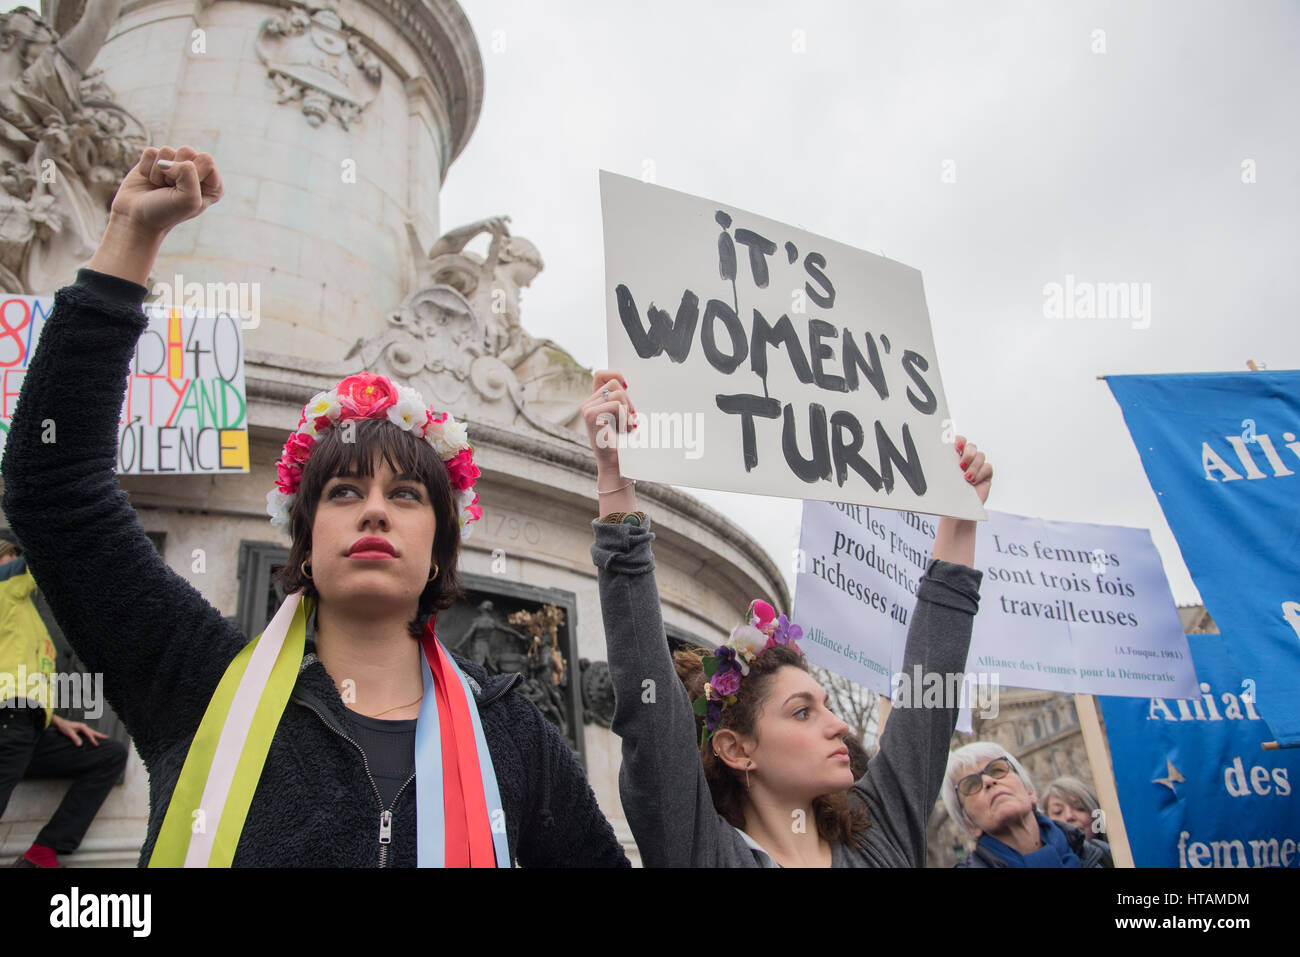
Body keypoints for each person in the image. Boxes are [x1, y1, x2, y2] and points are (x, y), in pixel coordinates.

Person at [0, 145, 628, 867]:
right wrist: (130, 239)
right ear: (303, 539)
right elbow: (53, 490)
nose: (374, 511)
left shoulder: (511, 729)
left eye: (404, 494)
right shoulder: (195, 678)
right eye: (343, 491)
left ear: (440, 547)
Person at [583, 369, 991, 867]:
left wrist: (960, 514)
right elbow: (647, 695)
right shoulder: (699, 851)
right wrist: (614, 474)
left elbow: (930, 690)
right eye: (803, 711)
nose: (840, 725)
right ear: (736, 749)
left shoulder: (880, 833)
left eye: (823, 705)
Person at [0, 541, 128, 868]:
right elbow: (44, 550)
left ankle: (43, 853)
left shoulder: (25, 616)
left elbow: (16, 673)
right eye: (7, 562)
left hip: (27, 728)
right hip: (8, 722)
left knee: (108, 755)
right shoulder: (5, 588)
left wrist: (55, 720)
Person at [941, 743, 1112, 868]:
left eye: (998, 770)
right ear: (969, 825)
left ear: (1030, 791)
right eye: (970, 785)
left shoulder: (1104, 856)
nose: (988, 780)